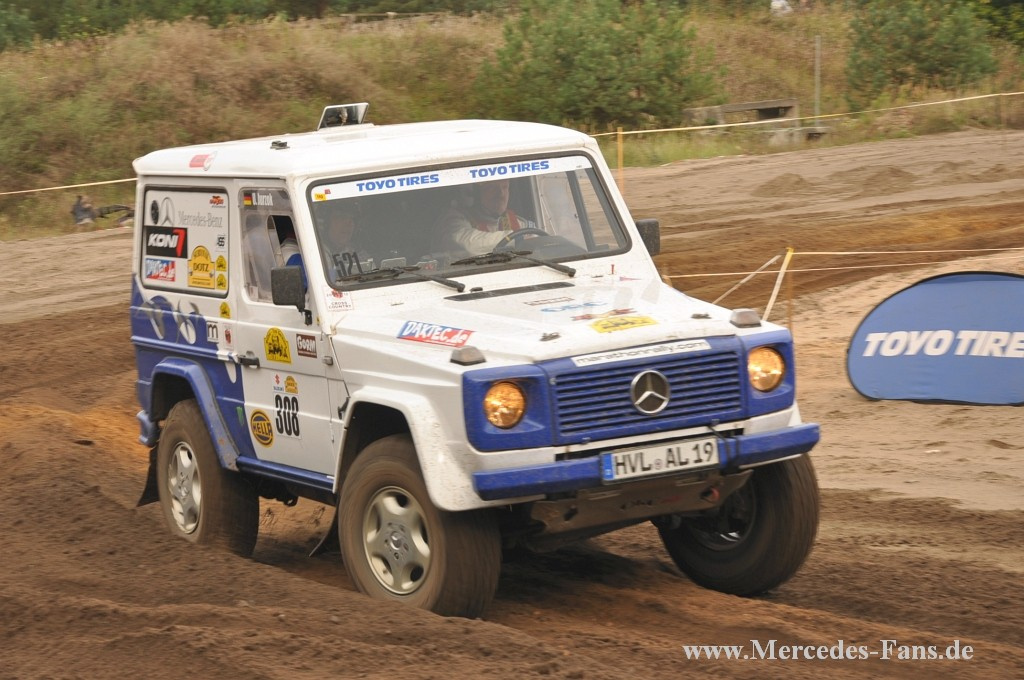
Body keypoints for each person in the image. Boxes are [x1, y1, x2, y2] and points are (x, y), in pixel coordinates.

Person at [432, 178, 537, 257]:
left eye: (505, 187)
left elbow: (539, 243)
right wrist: (517, 240)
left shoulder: (520, 223)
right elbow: (469, 245)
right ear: (476, 193)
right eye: (492, 188)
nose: (501, 194)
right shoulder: (452, 221)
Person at [315, 201, 372, 280]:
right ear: (326, 224)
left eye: (352, 219)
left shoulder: (358, 252)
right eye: (341, 217)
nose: (349, 223)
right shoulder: (316, 254)